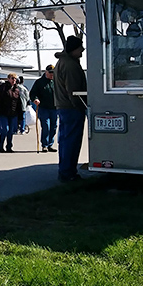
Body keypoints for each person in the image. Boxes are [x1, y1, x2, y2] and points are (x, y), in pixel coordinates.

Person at [54, 36, 87, 182]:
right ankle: (68, 173)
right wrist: (81, 106)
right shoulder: (70, 65)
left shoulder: (61, 62)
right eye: (80, 47)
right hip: (72, 108)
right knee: (71, 141)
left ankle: (65, 171)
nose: (83, 50)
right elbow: (73, 90)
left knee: (65, 140)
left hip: (63, 107)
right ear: (74, 49)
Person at [30, 64, 58, 153]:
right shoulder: (39, 82)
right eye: (50, 73)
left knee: (54, 127)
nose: (52, 75)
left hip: (54, 108)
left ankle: (50, 144)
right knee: (46, 126)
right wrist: (35, 99)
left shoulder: (56, 82)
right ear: (46, 72)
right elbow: (33, 93)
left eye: (53, 73)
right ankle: (44, 145)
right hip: (43, 108)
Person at [0, 73, 21, 153]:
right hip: (3, 112)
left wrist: (20, 114)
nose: (14, 80)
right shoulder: (2, 88)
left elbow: (18, 102)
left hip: (13, 113)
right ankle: (0, 145)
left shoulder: (16, 90)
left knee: (11, 131)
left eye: (15, 79)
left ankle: (9, 146)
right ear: (8, 79)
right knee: (5, 130)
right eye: (12, 78)